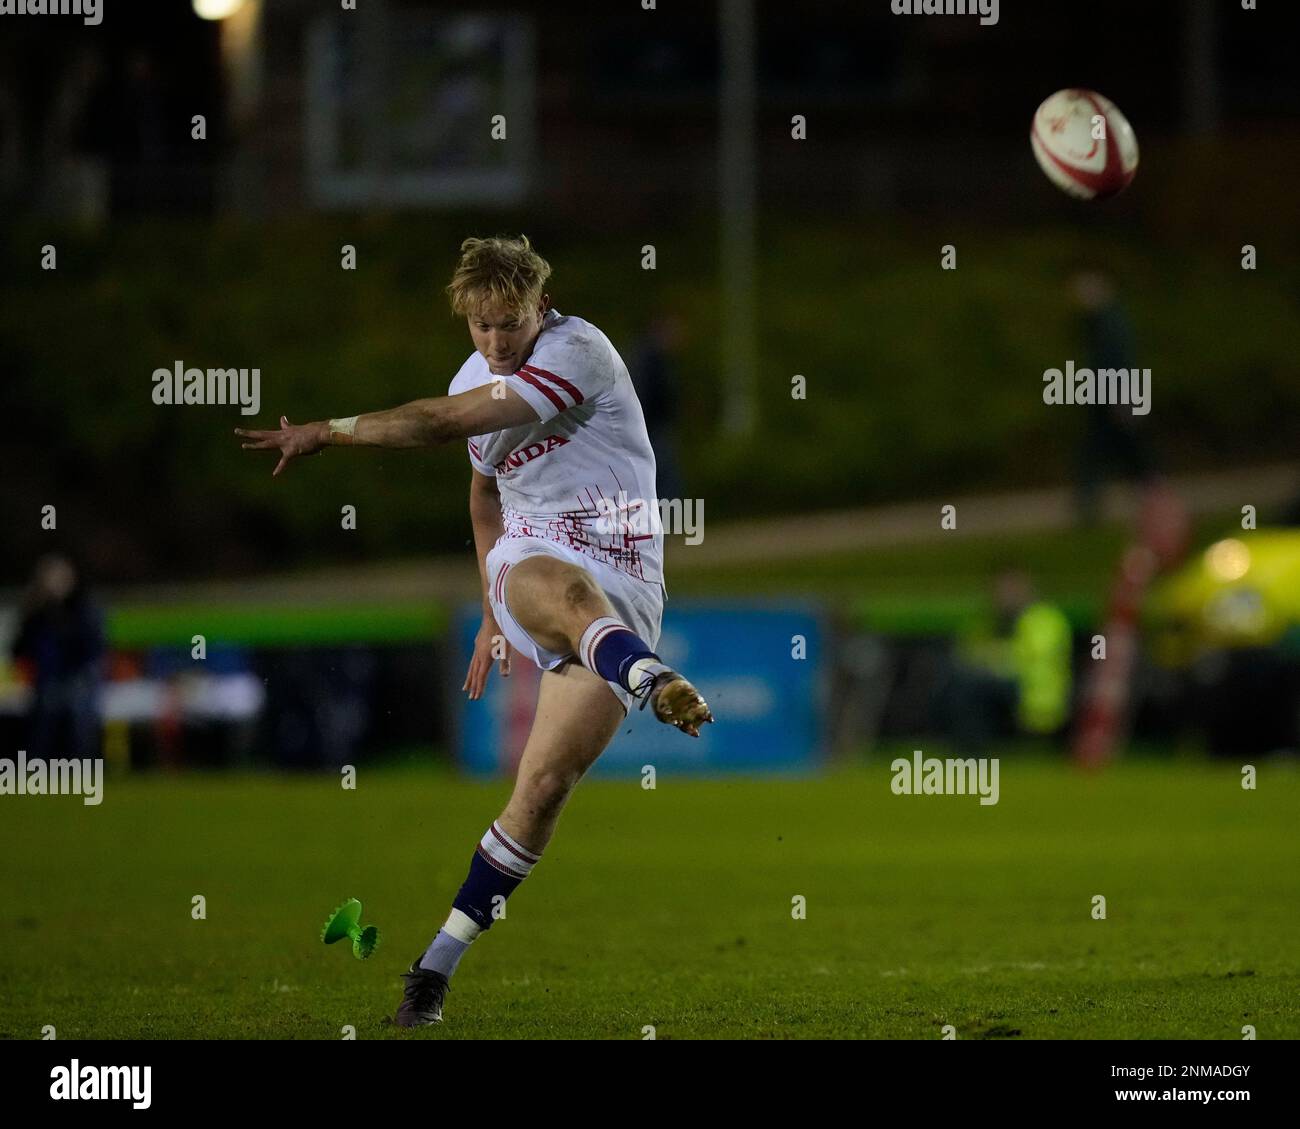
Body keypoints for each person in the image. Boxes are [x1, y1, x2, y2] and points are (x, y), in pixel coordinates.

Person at [236, 234, 713, 1026]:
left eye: (510, 324)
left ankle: (432, 969)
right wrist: (494, 608)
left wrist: (330, 430)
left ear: (541, 308)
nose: (496, 341)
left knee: (542, 790)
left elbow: (441, 421)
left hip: (625, 579)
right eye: (482, 326)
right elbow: (485, 498)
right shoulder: (476, 373)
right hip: (534, 560)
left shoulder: (579, 351)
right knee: (560, 587)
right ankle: (650, 677)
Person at [11, 553, 105, 762]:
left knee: (77, 711)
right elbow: (20, 649)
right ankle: (38, 766)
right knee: (44, 712)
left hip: (78, 676)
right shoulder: (35, 611)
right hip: (46, 678)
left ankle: (83, 765)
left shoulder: (83, 608)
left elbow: (91, 647)